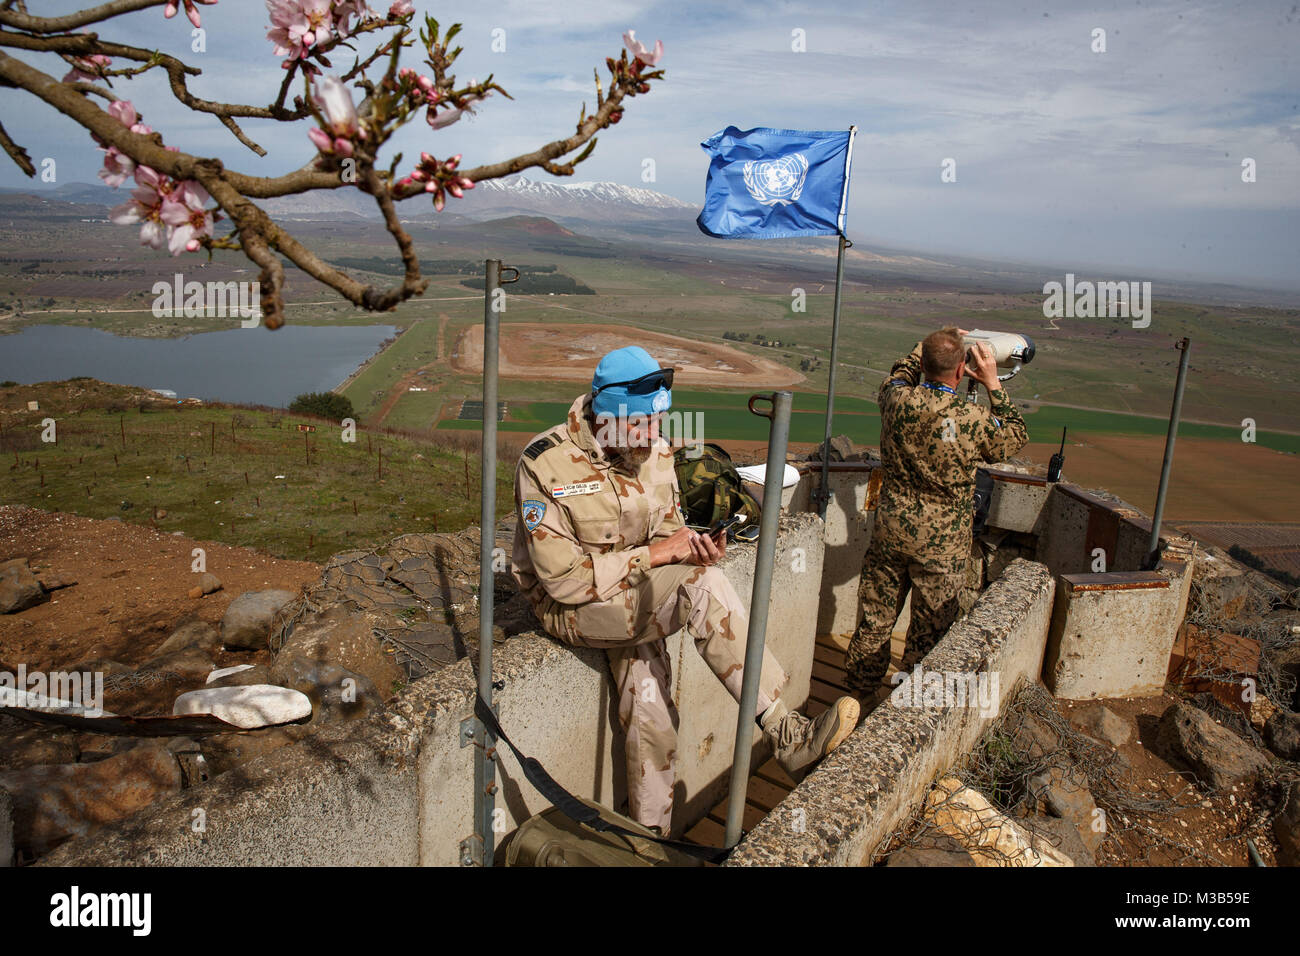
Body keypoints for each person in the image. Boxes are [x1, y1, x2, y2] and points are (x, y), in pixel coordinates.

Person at [511, 345, 859, 834]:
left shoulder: (654, 448)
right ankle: (787, 733)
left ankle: (651, 843)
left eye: (658, 423)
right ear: (606, 416)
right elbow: (564, 581)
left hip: (634, 593)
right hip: (572, 608)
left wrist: (691, 548)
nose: (654, 436)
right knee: (701, 586)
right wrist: (661, 558)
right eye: (640, 426)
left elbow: (666, 528)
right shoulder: (545, 464)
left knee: (652, 714)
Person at [844, 327, 1029, 695]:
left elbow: (902, 371)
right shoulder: (973, 419)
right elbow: (1014, 437)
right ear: (962, 369)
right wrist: (993, 383)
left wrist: (927, 344)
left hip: (891, 533)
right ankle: (908, 708)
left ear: (923, 363)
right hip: (942, 548)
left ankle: (855, 700)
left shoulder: (895, 400)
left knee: (875, 623)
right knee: (929, 632)